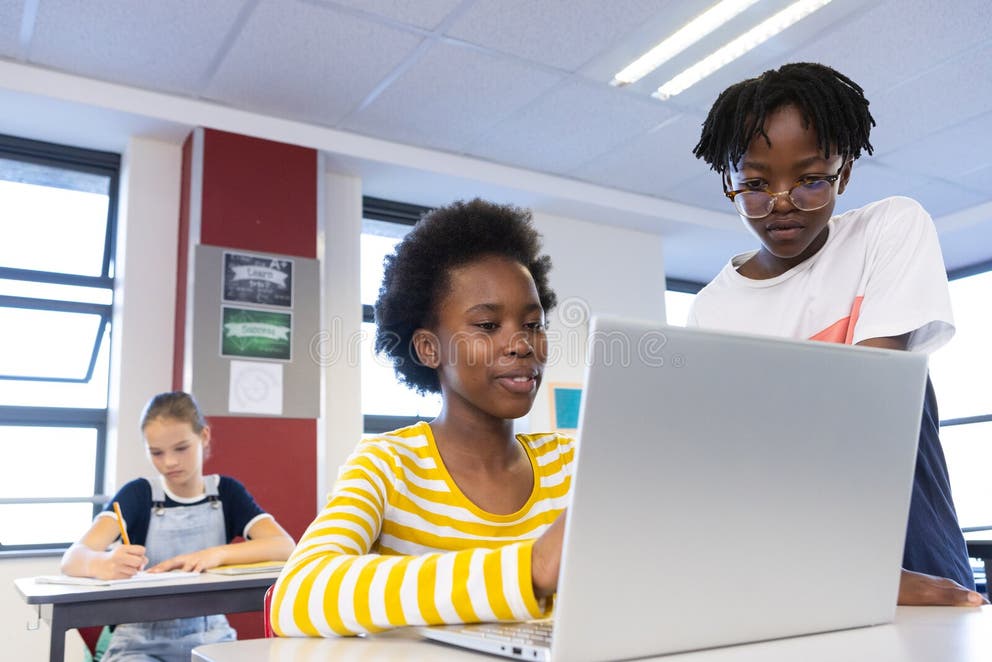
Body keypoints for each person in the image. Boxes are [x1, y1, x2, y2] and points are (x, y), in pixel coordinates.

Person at [688, 62, 986, 607]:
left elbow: (872, 408)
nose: (781, 200)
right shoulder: (712, 310)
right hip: (796, 572)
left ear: (843, 173)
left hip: (913, 554)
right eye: (755, 184)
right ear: (729, 182)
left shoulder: (889, 229)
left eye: (810, 179)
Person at [269, 199, 570, 637]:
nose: (521, 344)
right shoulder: (387, 465)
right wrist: (530, 568)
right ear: (429, 348)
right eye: (488, 326)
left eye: (533, 324)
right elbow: (297, 595)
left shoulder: (572, 465)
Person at [61, 391, 296, 661]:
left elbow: (285, 546)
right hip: (139, 645)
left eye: (181, 448)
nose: (169, 462)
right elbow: (72, 558)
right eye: (156, 453)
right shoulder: (137, 495)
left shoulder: (227, 492)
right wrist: (103, 563)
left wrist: (214, 555)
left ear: (204, 436)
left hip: (212, 641)